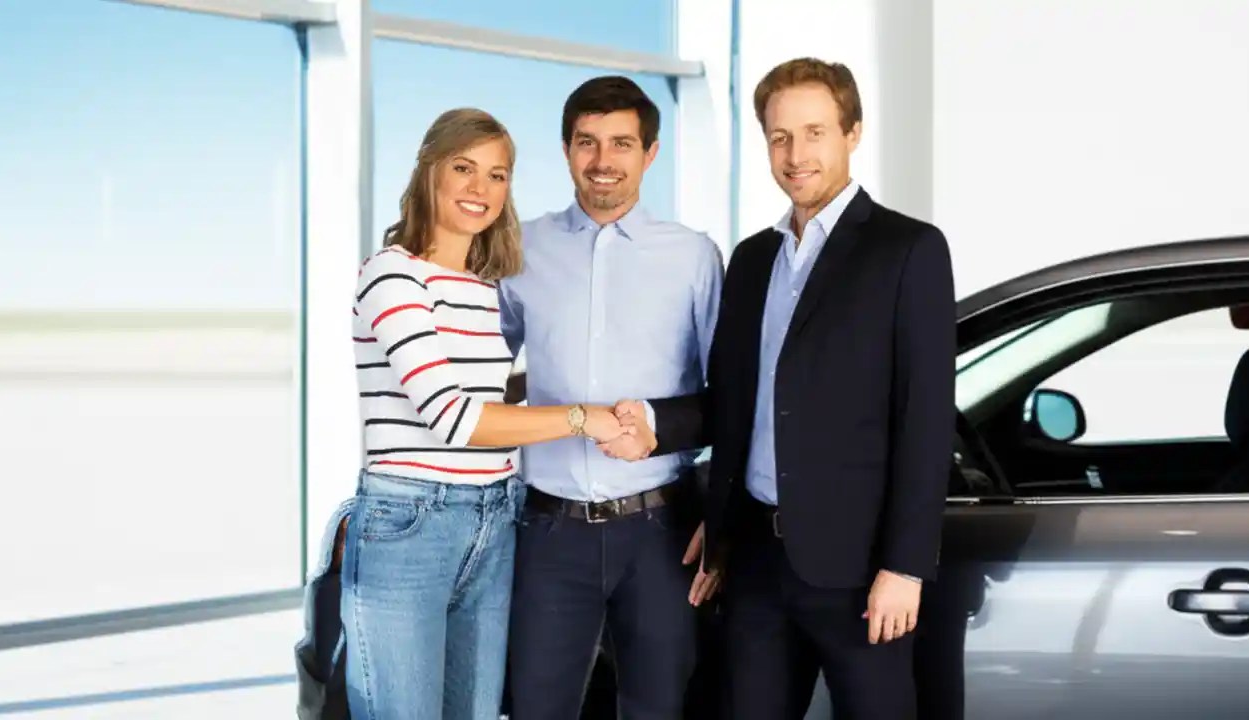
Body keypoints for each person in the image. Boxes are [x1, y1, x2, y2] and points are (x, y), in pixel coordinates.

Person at [636, 58, 956, 719]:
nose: (795, 154)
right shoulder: (753, 258)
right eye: (779, 136)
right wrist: (716, 525)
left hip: (861, 571)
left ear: (853, 133)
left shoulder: (908, 249)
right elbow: (733, 400)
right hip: (755, 561)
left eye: (814, 132)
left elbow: (925, 420)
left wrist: (906, 566)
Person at [338, 107, 636, 720]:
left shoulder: (484, 288)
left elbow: (490, 391)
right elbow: (455, 417)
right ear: (429, 173)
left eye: (498, 175)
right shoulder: (391, 276)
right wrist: (585, 416)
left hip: (495, 517)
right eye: (464, 168)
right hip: (408, 525)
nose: (481, 189)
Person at [498, 76, 725, 720]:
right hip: (547, 531)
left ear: (650, 153)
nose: (603, 161)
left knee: (659, 708)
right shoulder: (522, 248)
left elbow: (728, 397)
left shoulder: (694, 258)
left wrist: (722, 514)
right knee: (535, 708)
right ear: (567, 149)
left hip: (660, 533)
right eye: (587, 142)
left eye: (622, 143)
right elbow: (480, 370)